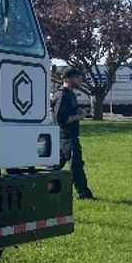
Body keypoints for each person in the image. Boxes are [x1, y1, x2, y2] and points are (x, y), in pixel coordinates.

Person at [51, 67, 94, 200]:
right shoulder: (62, 95)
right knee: (76, 166)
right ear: (68, 79)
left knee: (54, 166)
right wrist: (79, 117)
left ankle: (38, 185)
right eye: (78, 77)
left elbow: (73, 109)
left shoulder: (71, 94)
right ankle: (84, 194)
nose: (80, 80)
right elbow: (61, 119)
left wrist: (79, 110)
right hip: (67, 136)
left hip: (66, 136)